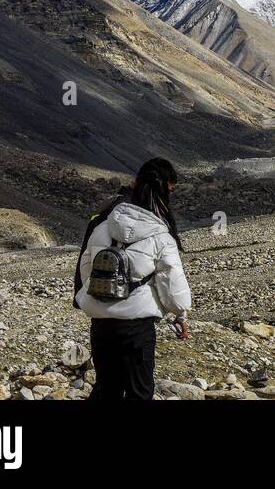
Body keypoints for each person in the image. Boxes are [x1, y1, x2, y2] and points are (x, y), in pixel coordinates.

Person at [74, 158, 192, 400]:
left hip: (101, 324)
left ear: (135, 184)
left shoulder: (102, 227)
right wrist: (180, 314)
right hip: (136, 327)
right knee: (139, 391)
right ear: (164, 191)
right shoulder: (161, 236)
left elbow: (87, 268)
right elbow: (171, 283)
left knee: (107, 388)